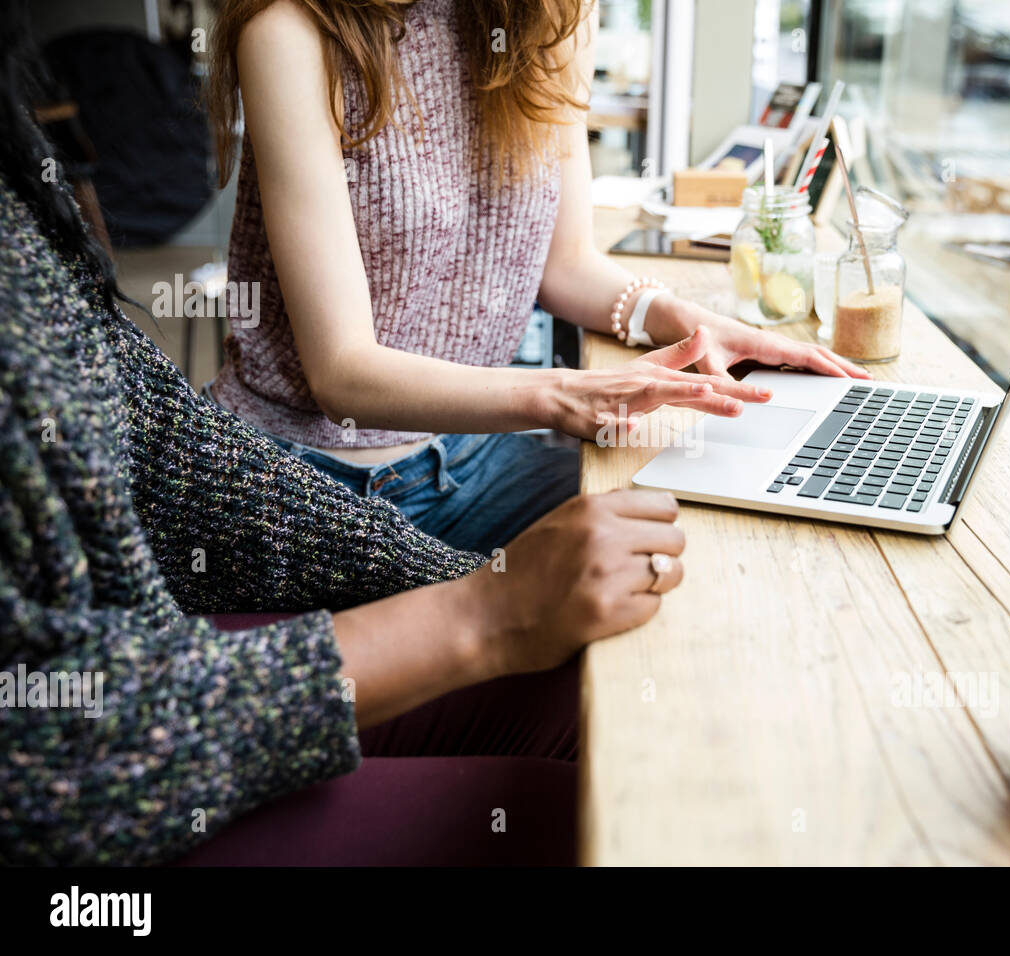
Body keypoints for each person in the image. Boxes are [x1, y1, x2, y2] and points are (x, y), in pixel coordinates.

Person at [0, 1, 684, 865]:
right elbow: (46, 747)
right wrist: (487, 607)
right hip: (147, 717)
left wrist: (668, 316)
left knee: (618, 657)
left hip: (371, 514)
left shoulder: (14, 166)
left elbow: (162, 444)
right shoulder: (288, 31)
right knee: (572, 799)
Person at [204, 0, 868, 554]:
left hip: (471, 457)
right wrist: (563, 394)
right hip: (306, 483)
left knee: (713, 531)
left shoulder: (549, 17)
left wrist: (688, 323)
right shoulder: (289, 29)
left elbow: (566, 263)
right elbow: (343, 377)